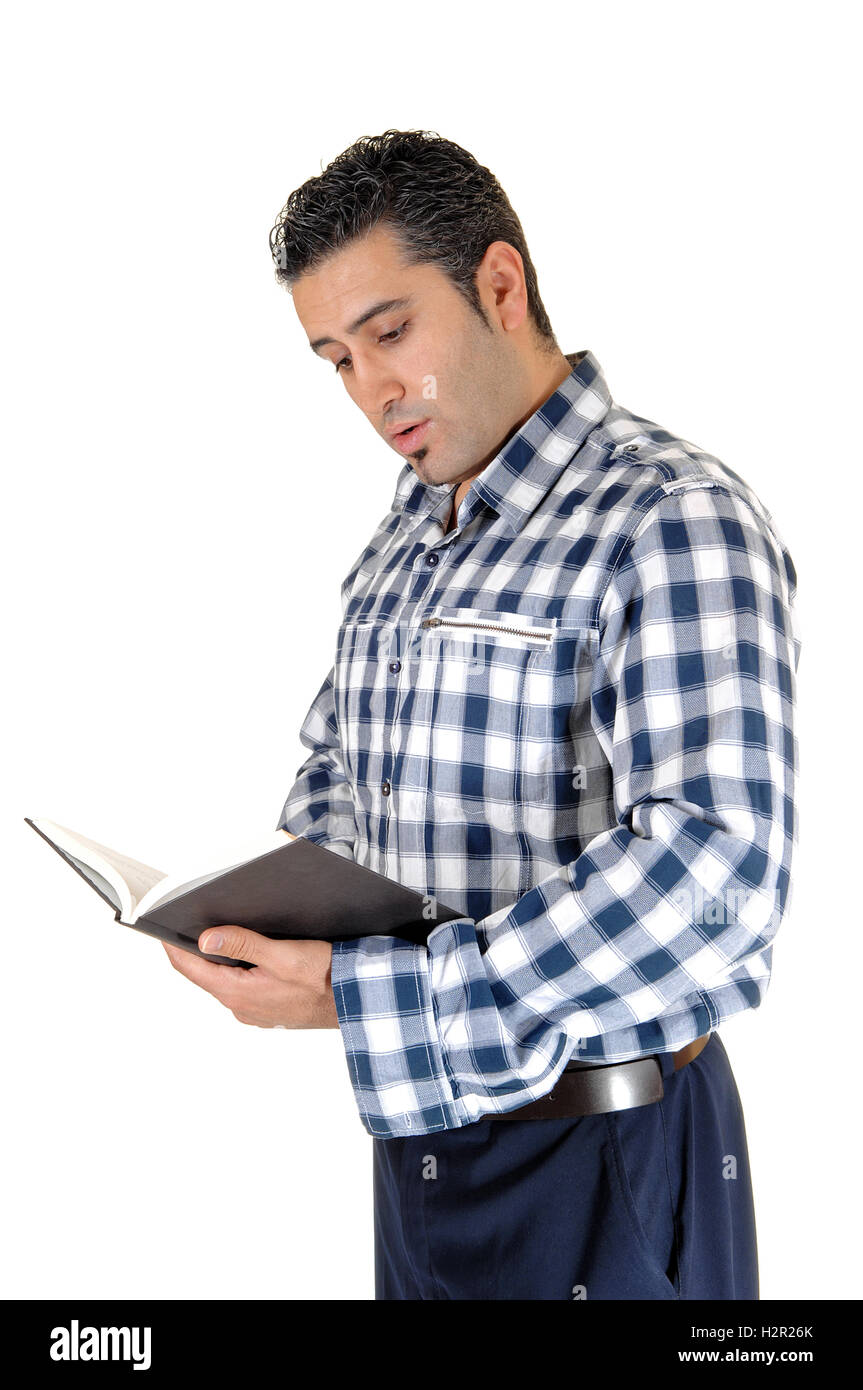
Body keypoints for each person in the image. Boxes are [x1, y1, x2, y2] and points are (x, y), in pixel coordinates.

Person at [163, 129, 799, 1300]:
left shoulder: (670, 518)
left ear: (498, 286)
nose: (371, 390)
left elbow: (717, 877)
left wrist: (365, 998)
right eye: (335, 359)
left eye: (391, 331)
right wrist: (265, 915)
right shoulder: (402, 538)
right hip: (418, 1149)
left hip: (612, 1148)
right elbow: (336, 780)